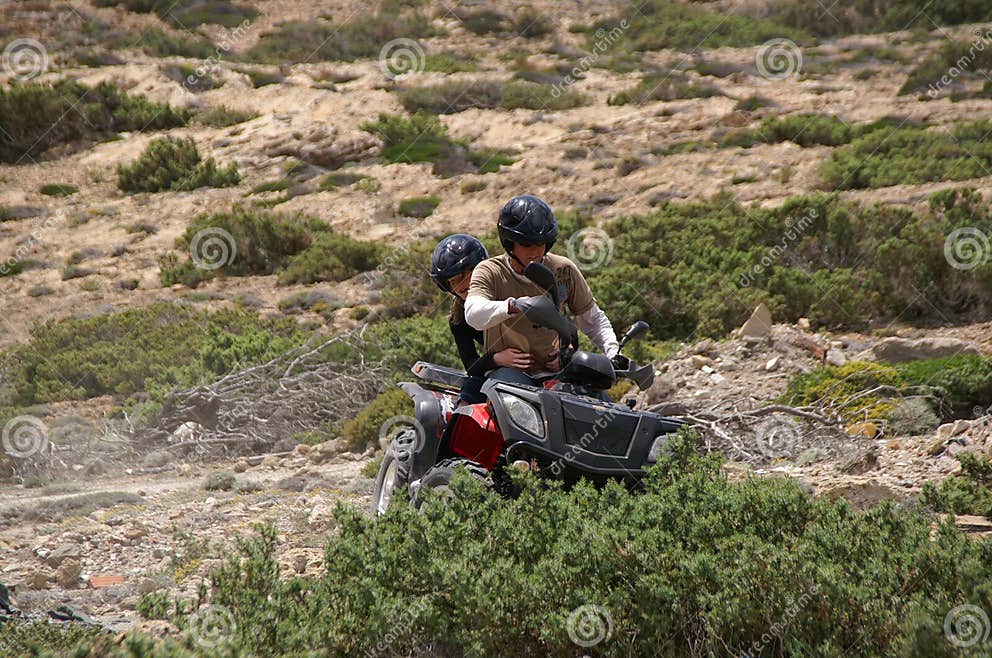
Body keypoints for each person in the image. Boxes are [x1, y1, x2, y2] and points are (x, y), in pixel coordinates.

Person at [463, 195, 628, 387]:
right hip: (508, 373)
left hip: (557, 373)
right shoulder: (489, 270)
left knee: (598, 403)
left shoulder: (563, 270)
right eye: (526, 245)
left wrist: (613, 352)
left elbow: (592, 319)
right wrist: (513, 305)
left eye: (540, 244)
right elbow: (473, 313)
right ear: (510, 243)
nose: (534, 252)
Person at [430, 234, 536, 404]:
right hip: (501, 372)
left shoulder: (510, 292)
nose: (462, 284)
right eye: (454, 280)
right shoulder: (458, 319)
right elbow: (470, 364)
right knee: (471, 390)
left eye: (467, 275)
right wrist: (497, 359)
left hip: (540, 366)